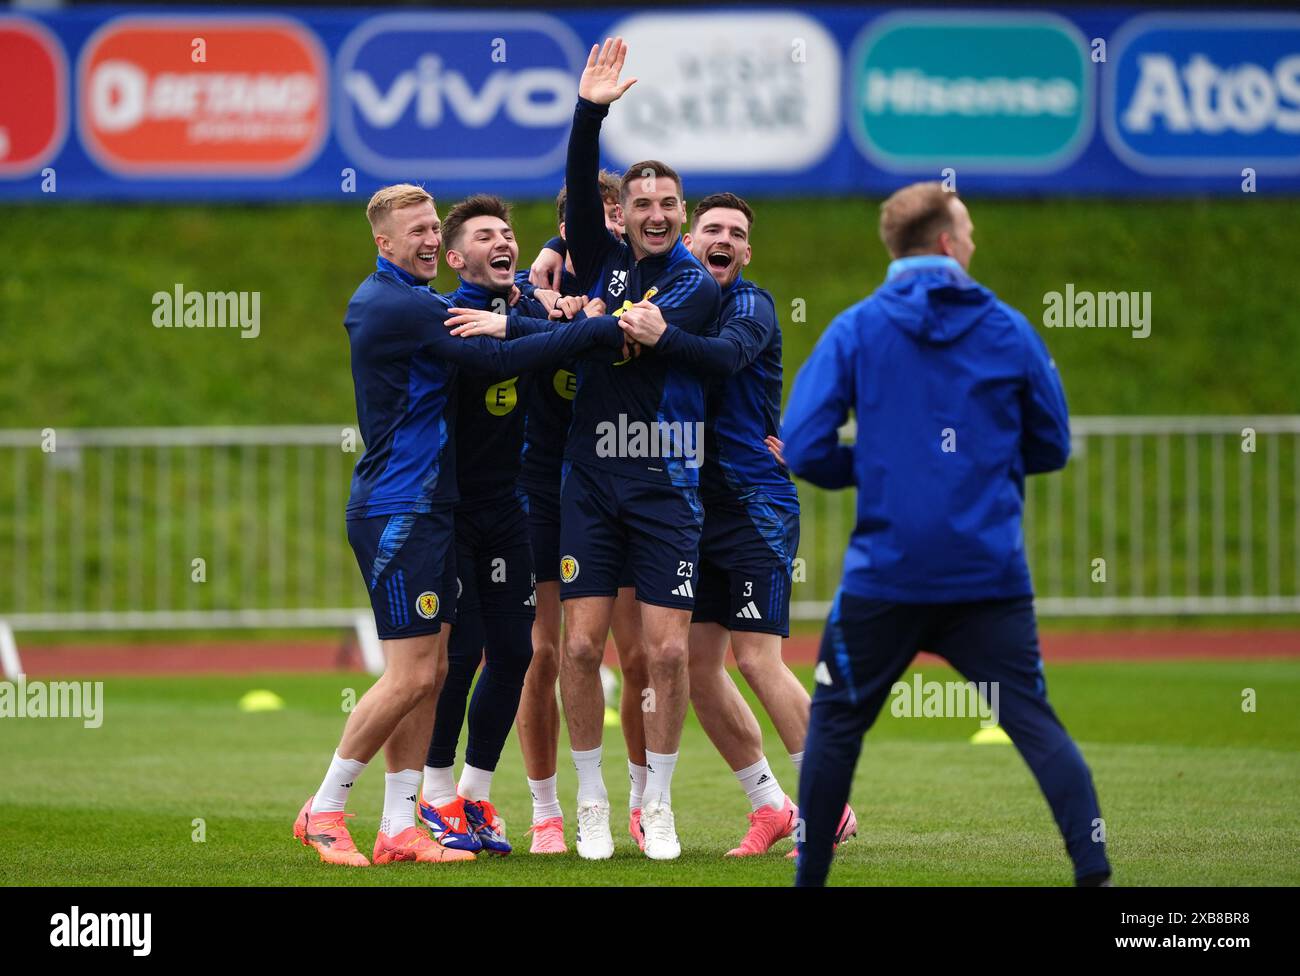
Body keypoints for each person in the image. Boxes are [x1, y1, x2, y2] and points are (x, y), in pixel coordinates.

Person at [781, 181, 1111, 887]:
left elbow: (805, 447)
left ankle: (809, 880)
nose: (971, 242)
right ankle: (1095, 874)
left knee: (836, 725)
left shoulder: (857, 327)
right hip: (987, 573)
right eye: (966, 232)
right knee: (1035, 725)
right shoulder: (1008, 327)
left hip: (886, 573)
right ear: (943, 244)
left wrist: (877, 470)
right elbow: (1051, 445)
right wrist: (975, 469)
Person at [293, 183, 629, 867]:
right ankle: (325, 809)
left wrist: (556, 289)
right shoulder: (400, 305)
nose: (421, 239)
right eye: (412, 232)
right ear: (384, 244)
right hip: (399, 508)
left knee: (439, 667)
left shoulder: (423, 302)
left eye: (426, 226)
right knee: (415, 675)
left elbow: (523, 318)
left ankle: (399, 824)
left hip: (434, 509)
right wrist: (601, 326)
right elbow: (502, 356)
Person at [617, 193, 857, 856]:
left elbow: (723, 358)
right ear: (692, 240)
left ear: (746, 253)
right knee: (695, 666)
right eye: (712, 229)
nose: (723, 239)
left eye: (736, 234)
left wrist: (660, 335)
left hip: (754, 504)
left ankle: (828, 804)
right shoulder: (673, 295)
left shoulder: (750, 305)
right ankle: (769, 804)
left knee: (756, 658)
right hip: (693, 508)